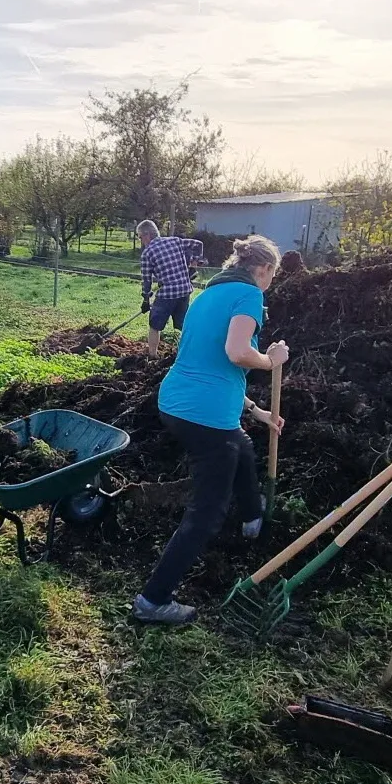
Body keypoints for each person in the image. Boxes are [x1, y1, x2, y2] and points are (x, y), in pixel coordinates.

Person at [132, 235, 289, 625]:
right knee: (207, 512)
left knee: (241, 444)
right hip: (205, 415)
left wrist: (257, 411)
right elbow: (236, 353)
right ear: (265, 269)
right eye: (274, 273)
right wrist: (271, 361)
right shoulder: (250, 295)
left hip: (176, 402)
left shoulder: (208, 294)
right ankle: (153, 601)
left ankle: (253, 517)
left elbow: (209, 365)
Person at [137, 220, 205, 358]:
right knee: (183, 324)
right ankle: (192, 351)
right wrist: (193, 265)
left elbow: (146, 279)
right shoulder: (175, 241)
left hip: (167, 294)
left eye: (139, 237)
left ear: (147, 235)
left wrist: (145, 299)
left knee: (155, 325)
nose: (140, 240)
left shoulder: (147, 253)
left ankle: (152, 355)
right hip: (184, 290)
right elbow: (198, 244)